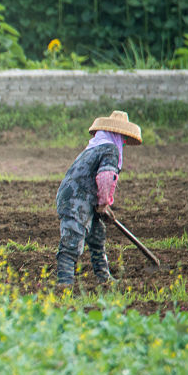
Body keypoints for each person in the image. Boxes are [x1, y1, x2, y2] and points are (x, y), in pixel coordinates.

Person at [55, 110, 142, 288]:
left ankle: (104, 278)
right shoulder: (110, 149)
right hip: (76, 199)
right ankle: (64, 284)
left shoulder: (94, 148)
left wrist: (103, 205)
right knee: (72, 240)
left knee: (97, 235)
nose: (123, 143)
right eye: (123, 139)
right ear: (118, 135)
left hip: (82, 197)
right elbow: (105, 176)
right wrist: (103, 204)